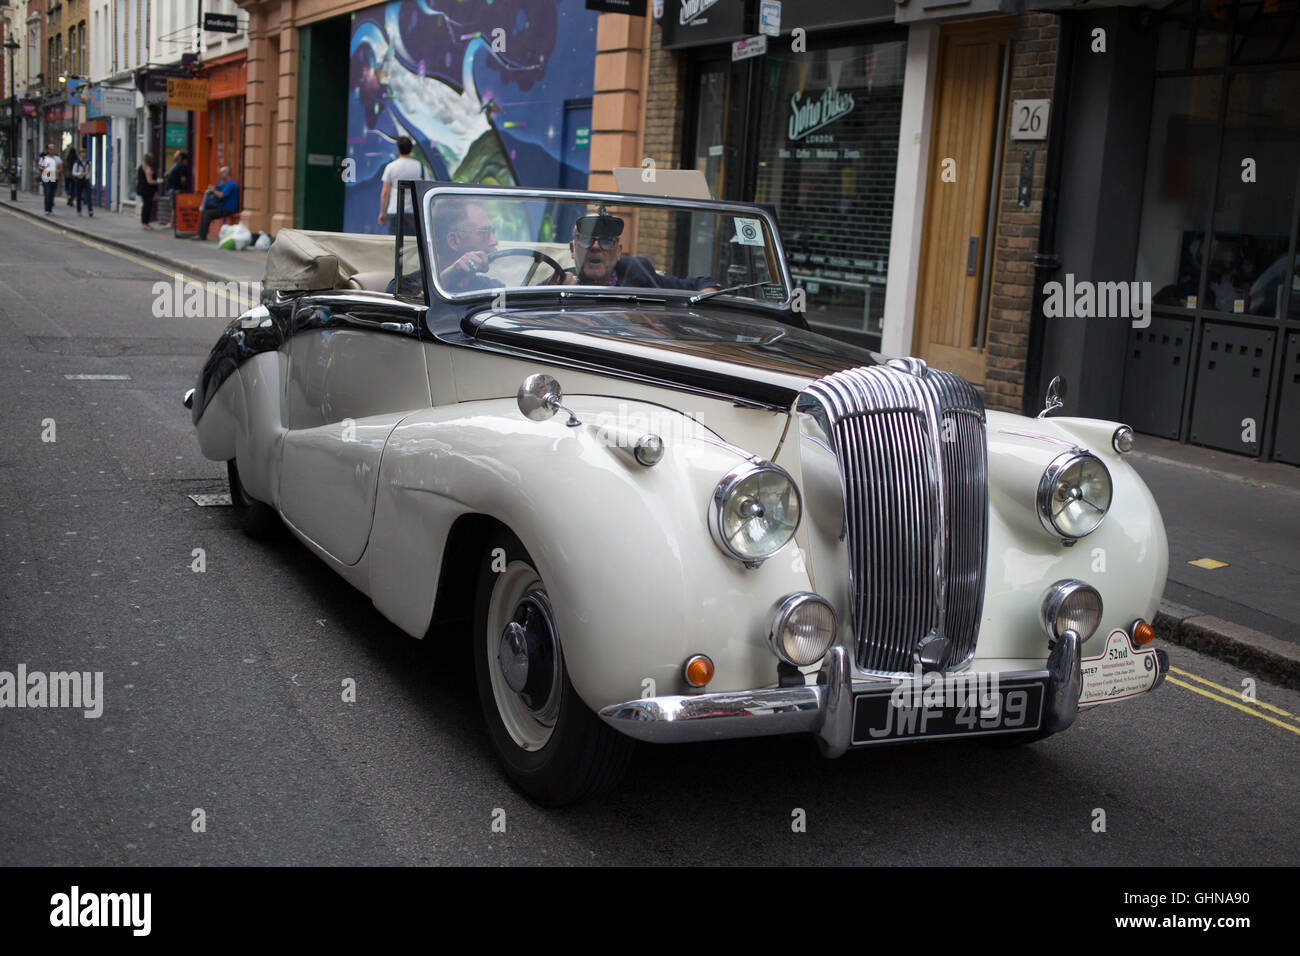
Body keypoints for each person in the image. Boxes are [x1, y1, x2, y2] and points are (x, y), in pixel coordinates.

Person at [563, 211, 719, 292]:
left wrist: (707, 292)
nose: (595, 247)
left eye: (606, 240)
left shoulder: (637, 271)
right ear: (572, 249)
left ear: (618, 252)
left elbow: (699, 284)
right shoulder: (559, 283)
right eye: (585, 239)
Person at [378, 136, 425, 236]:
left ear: (398, 149)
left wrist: (382, 212)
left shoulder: (391, 167)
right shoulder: (420, 167)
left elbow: (385, 192)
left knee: (394, 244)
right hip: (413, 212)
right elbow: (425, 189)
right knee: (412, 244)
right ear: (411, 150)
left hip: (394, 210)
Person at [193, 166, 241, 241]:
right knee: (206, 212)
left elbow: (221, 195)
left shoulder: (231, 184)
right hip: (223, 207)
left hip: (228, 208)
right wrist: (215, 188)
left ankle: (202, 235)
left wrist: (213, 190)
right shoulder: (227, 184)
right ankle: (200, 234)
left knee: (208, 214)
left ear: (226, 173)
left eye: (222, 173)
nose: (220, 175)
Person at [163, 150, 191, 222]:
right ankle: (173, 222)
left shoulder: (181, 166)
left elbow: (183, 179)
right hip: (172, 189)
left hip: (176, 189)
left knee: (174, 207)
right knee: (173, 206)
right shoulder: (176, 165)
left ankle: (173, 222)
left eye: (176, 154)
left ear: (180, 157)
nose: (174, 155)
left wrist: (182, 188)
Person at [137, 154, 160, 229]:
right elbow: (150, 181)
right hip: (148, 191)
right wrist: (158, 181)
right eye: (152, 159)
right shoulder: (148, 169)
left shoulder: (141, 167)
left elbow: (137, 177)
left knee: (146, 206)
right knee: (147, 206)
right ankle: (145, 223)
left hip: (143, 189)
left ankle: (145, 223)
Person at [38, 145, 62, 215]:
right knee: (47, 193)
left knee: (52, 194)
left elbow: (60, 168)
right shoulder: (44, 158)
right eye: (51, 149)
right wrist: (45, 169)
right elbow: (40, 167)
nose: (52, 151)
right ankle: (47, 210)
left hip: (54, 178)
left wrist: (57, 171)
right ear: (48, 150)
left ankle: (50, 209)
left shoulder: (57, 159)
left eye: (53, 149)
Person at [71, 150, 92, 217]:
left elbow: (90, 171)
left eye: (85, 153)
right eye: (82, 153)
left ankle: (90, 210)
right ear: (80, 154)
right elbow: (73, 172)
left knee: (88, 195)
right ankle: (79, 210)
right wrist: (80, 173)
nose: (84, 154)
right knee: (79, 196)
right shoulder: (77, 163)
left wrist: (87, 176)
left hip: (86, 180)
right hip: (79, 180)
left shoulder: (88, 163)